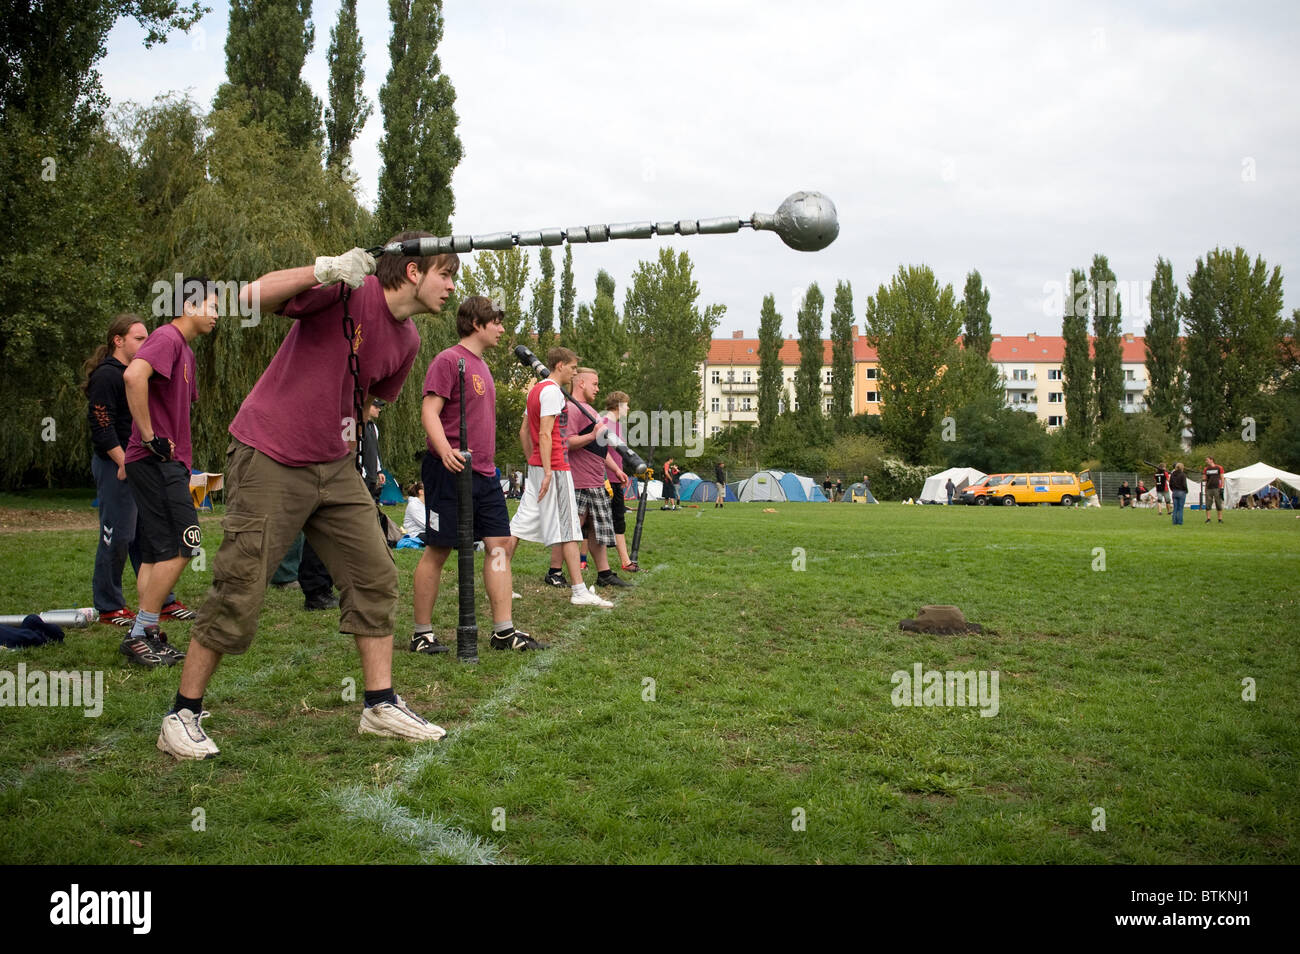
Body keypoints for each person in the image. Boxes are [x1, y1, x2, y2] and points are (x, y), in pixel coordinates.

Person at [155, 237, 456, 760]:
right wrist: (322, 271)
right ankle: (182, 714)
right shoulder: (345, 291)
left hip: (334, 465)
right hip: (270, 451)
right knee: (241, 583)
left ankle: (379, 706)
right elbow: (248, 297)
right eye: (446, 275)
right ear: (413, 271)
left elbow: (367, 401)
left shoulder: (408, 341)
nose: (452, 288)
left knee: (375, 573)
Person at [411, 296, 542, 654]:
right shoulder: (449, 360)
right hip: (449, 469)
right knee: (438, 549)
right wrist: (445, 450)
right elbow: (429, 412)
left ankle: (503, 631)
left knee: (498, 545)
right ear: (476, 324)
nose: (501, 329)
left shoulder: (482, 366)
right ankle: (421, 633)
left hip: (485, 474)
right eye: (496, 322)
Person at [121, 281, 219, 668]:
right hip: (155, 461)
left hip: (167, 464)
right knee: (187, 544)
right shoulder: (166, 337)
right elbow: (133, 377)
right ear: (188, 305)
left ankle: (145, 633)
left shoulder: (186, 352)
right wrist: (149, 437)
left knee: (156, 553)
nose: (216, 315)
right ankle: (138, 632)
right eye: (211, 306)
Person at [84, 315, 195, 630]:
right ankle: (109, 605)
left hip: (140, 466)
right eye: (139, 338)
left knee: (151, 535)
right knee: (116, 536)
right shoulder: (108, 376)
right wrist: (123, 463)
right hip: (115, 464)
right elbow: (102, 427)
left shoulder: (144, 372)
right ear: (118, 340)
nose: (146, 344)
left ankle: (162, 601)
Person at [512, 346, 612, 609]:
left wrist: (534, 460)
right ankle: (579, 591)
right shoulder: (552, 392)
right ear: (560, 366)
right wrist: (547, 470)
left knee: (517, 527)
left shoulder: (535, 390)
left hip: (540, 466)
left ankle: (499, 579)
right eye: (572, 367)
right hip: (555, 468)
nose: (574, 372)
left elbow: (524, 432)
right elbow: (545, 434)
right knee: (569, 528)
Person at [564, 368, 633, 591]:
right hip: (579, 481)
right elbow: (567, 443)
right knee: (573, 531)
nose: (598, 388)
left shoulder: (591, 411)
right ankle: (567, 576)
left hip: (595, 480)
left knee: (597, 530)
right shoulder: (573, 409)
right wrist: (592, 435)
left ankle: (604, 574)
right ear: (581, 383)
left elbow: (599, 450)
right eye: (594, 384)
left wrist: (616, 469)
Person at [600, 390, 637, 572]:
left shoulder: (619, 426)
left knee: (615, 519)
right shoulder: (605, 423)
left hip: (617, 478)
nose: (628, 408)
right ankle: (583, 560)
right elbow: (602, 452)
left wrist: (621, 472)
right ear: (618, 406)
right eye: (626, 404)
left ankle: (625, 561)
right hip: (606, 480)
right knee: (597, 522)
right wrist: (613, 473)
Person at [360, 398, 386, 500]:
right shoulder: (358, 426)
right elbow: (357, 450)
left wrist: (379, 471)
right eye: (376, 407)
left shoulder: (374, 428)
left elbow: (375, 451)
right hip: (362, 474)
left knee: (372, 504)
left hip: (372, 475)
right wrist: (361, 471)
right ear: (367, 406)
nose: (379, 409)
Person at [1202, 456, 1225, 523]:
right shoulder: (1206, 469)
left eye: (1207, 460)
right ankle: (1208, 519)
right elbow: (1204, 478)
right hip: (1208, 488)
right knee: (1208, 504)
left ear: (1211, 460)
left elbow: (1222, 478)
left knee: (1218, 503)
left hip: (1217, 488)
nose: (1206, 461)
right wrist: (1203, 477)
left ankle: (1220, 519)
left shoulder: (1219, 467)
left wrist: (1222, 487)